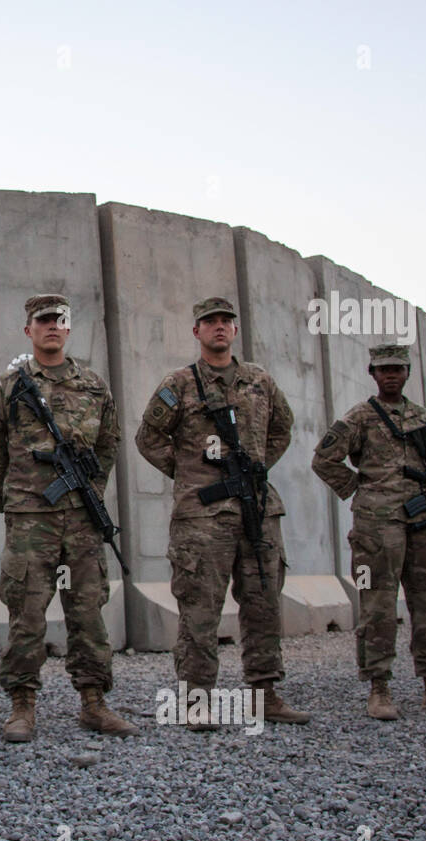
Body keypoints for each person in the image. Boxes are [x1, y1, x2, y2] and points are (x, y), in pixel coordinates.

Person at [134, 296, 309, 729]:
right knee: (200, 607)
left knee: (263, 600)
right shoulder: (180, 383)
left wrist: (256, 467)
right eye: (209, 322)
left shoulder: (260, 382)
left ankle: (264, 692)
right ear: (196, 331)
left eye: (225, 321)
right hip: (203, 516)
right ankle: (196, 700)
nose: (218, 327)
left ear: (235, 330)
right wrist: (188, 473)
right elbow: (148, 436)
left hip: (258, 510)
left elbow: (283, 428)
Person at [0, 293, 133, 742]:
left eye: (60, 320)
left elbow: (109, 442)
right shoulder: (9, 385)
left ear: (69, 328)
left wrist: (92, 490)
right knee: (27, 612)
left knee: (88, 610)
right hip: (30, 518)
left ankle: (94, 701)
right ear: (29, 330)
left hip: (81, 516)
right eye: (43, 321)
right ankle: (22, 705)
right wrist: (10, 497)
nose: (52, 327)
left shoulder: (94, 386)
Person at [311, 343, 426, 719]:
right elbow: (324, 459)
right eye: (383, 369)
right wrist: (359, 490)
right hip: (377, 526)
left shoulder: (421, 416)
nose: (390, 375)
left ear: (407, 374)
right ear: (372, 372)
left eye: (397, 369)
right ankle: (379, 689)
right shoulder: (360, 417)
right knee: (378, 607)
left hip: (424, 523)